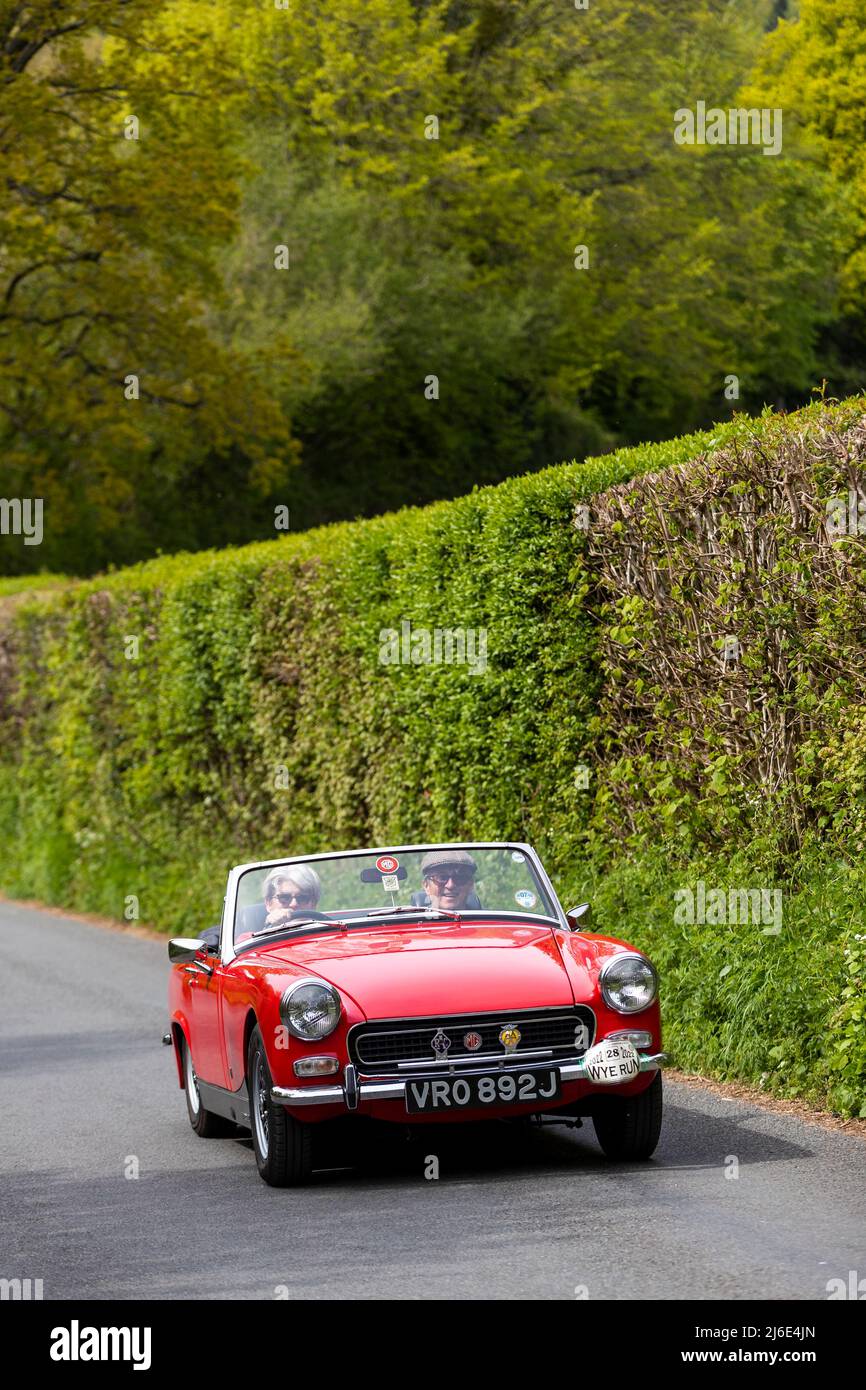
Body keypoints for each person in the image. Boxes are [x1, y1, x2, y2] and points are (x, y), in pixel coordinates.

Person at [238, 864, 323, 938]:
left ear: (313, 903)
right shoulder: (249, 941)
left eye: (303, 898)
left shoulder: (329, 935)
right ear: (268, 903)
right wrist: (271, 929)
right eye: (284, 897)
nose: (294, 904)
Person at [413, 850, 481, 911]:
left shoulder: (485, 922)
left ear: (470, 885)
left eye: (459, 878)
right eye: (442, 878)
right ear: (426, 886)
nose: (450, 885)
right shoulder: (413, 923)